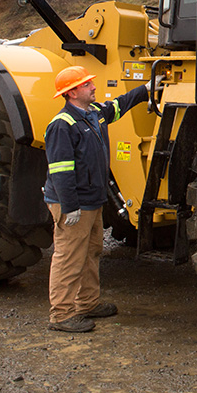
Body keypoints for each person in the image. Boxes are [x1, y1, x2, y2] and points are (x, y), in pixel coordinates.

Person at [43, 65, 150, 333]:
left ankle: (87, 303)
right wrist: (69, 207)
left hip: (91, 200)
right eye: (87, 84)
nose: (93, 87)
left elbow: (118, 105)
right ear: (73, 92)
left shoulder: (94, 115)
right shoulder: (62, 125)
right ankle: (61, 315)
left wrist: (146, 90)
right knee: (69, 256)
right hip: (73, 203)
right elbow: (61, 171)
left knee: (91, 252)